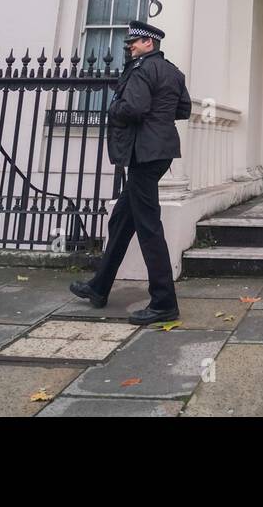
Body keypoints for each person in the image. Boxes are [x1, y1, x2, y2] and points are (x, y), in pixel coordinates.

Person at [70, 20, 191, 325]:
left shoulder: (141, 69)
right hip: (160, 152)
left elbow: (134, 109)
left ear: (148, 44)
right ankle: (99, 287)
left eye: (133, 43)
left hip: (143, 154)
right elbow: (184, 109)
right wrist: (158, 117)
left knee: (149, 227)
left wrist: (113, 109)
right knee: (122, 220)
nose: (129, 48)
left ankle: (164, 302)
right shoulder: (173, 72)